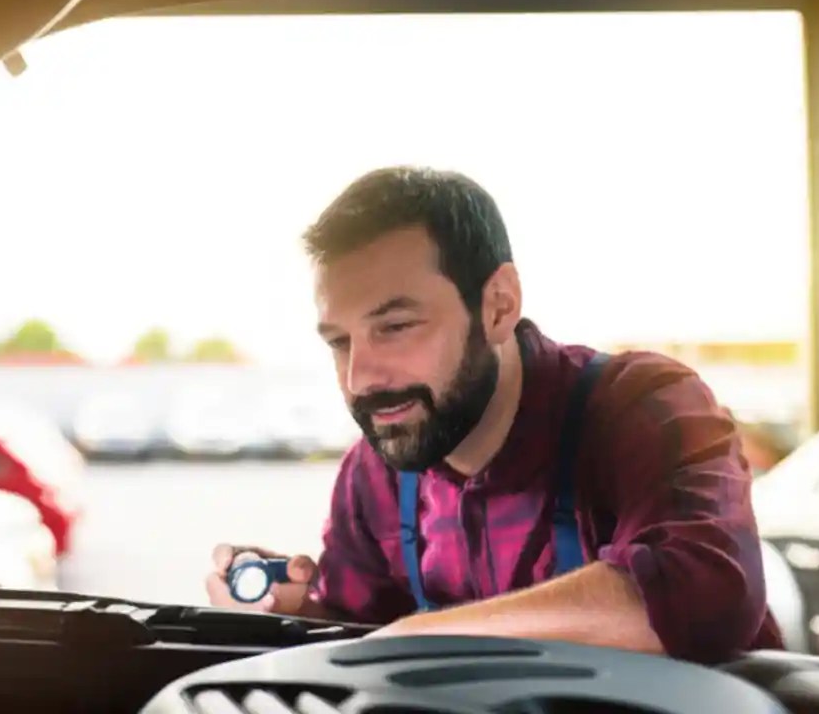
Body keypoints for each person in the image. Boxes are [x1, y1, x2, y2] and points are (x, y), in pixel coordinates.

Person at [206, 166, 784, 664]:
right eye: (339, 341)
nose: (360, 378)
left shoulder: (641, 406)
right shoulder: (376, 472)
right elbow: (358, 630)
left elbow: (704, 595)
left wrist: (413, 638)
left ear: (499, 305)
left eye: (396, 327)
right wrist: (293, 610)